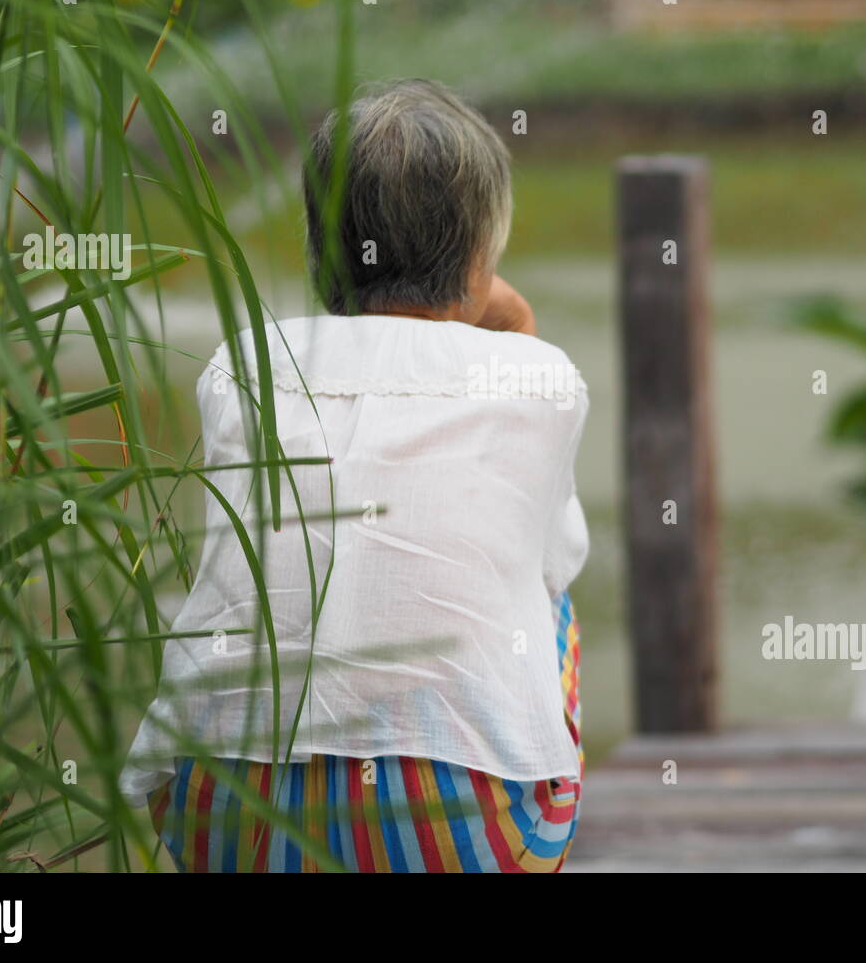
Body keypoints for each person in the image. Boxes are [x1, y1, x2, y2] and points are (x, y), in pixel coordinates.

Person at [121, 80, 590, 872]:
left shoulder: (242, 368)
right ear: (480, 256)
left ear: (321, 246)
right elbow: (552, 561)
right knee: (552, 608)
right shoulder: (543, 382)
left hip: (223, 817)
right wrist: (515, 321)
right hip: (460, 833)